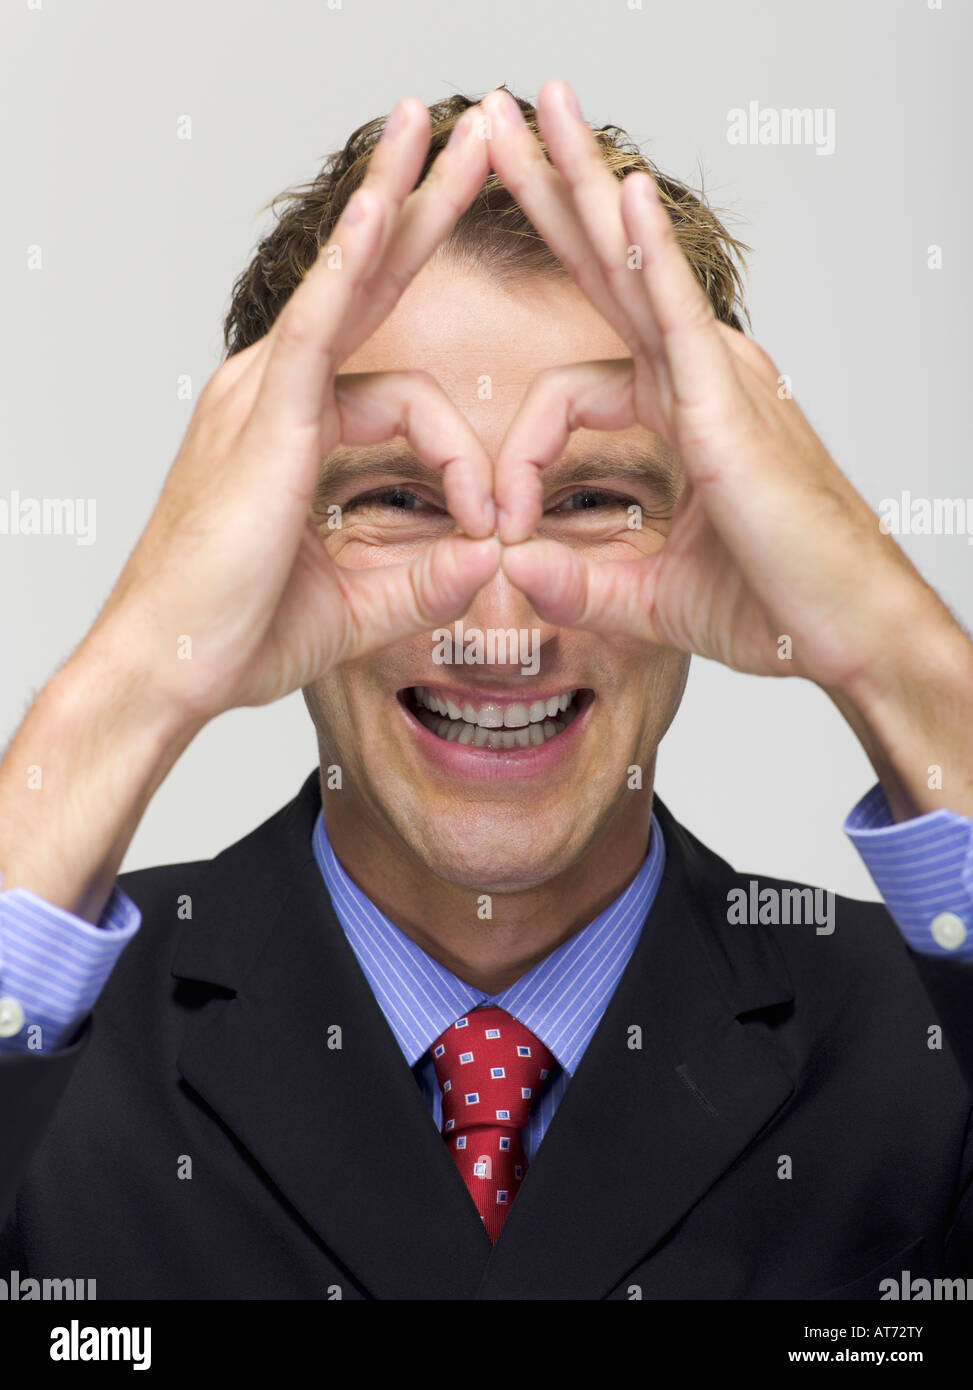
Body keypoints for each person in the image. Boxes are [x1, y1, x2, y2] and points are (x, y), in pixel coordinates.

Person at [1, 81, 971, 1301]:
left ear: (728, 524)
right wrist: (135, 672)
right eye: (400, 502)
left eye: (591, 500)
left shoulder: (920, 1046)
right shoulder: (53, 1043)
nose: (500, 627)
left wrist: (885, 640)